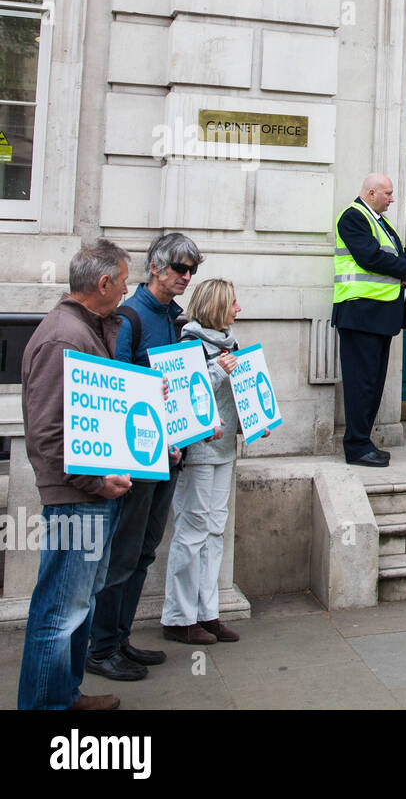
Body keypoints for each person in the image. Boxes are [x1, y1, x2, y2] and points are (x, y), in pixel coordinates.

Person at [17, 239, 134, 710]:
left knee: (75, 605)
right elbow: (48, 434)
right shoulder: (64, 336)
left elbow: (98, 410)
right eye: (124, 283)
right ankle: (46, 706)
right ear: (103, 283)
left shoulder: (84, 329)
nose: (127, 293)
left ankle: (64, 694)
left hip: (90, 493)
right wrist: (95, 483)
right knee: (59, 611)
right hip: (76, 496)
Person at [86, 232, 200, 682]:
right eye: (179, 269)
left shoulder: (174, 318)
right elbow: (117, 382)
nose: (186, 278)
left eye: (192, 270)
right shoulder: (130, 316)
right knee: (123, 553)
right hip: (139, 455)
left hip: (170, 452)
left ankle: (120, 638)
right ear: (155, 267)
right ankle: (102, 647)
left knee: (144, 552)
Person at [161, 278, 247, 645]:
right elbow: (184, 397)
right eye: (232, 303)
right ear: (216, 306)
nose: (238, 309)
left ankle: (208, 612)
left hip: (225, 448)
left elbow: (237, 395)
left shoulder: (230, 342)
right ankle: (179, 617)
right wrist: (219, 371)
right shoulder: (189, 342)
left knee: (214, 531)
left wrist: (254, 418)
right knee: (191, 532)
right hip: (198, 452)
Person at [332, 173, 406, 468]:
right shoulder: (353, 217)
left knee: (373, 383)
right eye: (388, 193)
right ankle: (356, 446)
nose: (392, 199)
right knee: (361, 384)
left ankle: (364, 441)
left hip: (379, 315)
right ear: (371, 192)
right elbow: (370, 257)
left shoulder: (380, 221)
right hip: (360, 314)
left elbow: (399, 252)